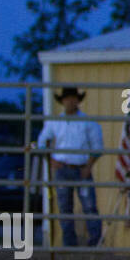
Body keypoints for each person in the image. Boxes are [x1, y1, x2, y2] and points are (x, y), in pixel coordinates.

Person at [33, 86, 103, 248]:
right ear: (62, 101)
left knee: (89, 206)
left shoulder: (88, 122)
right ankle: (70, 243)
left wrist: (89, 165)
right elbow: (42, 142)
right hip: (62, 168)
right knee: (65, 207)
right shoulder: (55, 121)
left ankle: (94, 242)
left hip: (82, 168)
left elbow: (98, 146)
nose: (70, 101)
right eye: (67, 99)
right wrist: (51, 160)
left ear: (78, 100)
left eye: (73, 98)